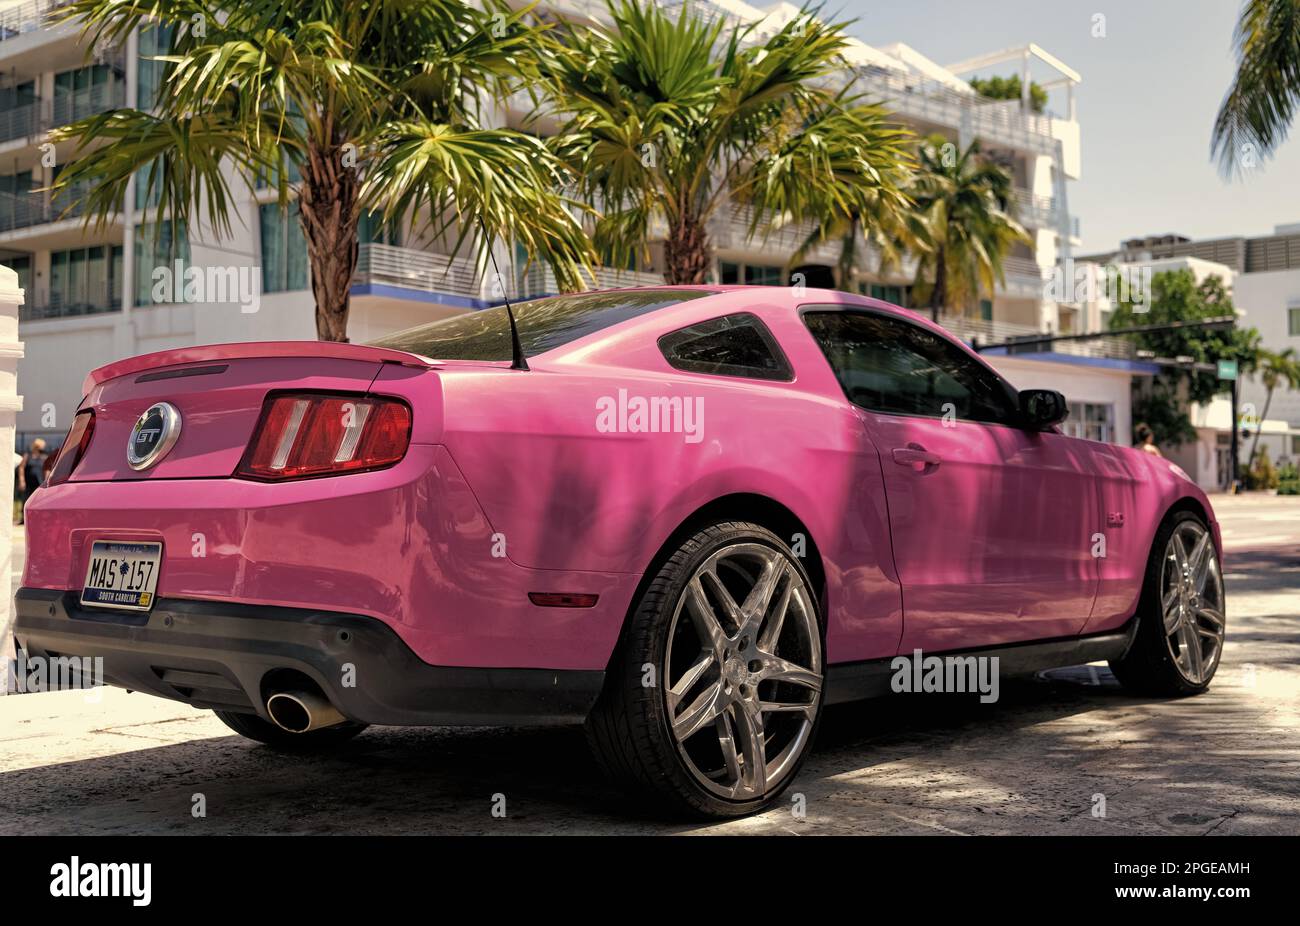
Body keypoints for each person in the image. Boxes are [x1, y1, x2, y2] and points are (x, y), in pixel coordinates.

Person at [17, 438, 49, 524]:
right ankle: (24, 519)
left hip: (39, 483)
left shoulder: (44, 457)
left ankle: (38, 518)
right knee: (26, 500)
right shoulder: (27, 456)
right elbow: (21, 468)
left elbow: (46, 470)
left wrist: (46, 480)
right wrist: (21, 480)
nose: (41, 449)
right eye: (39, 447)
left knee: (40, 501)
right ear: (35, 447)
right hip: (28, 483)